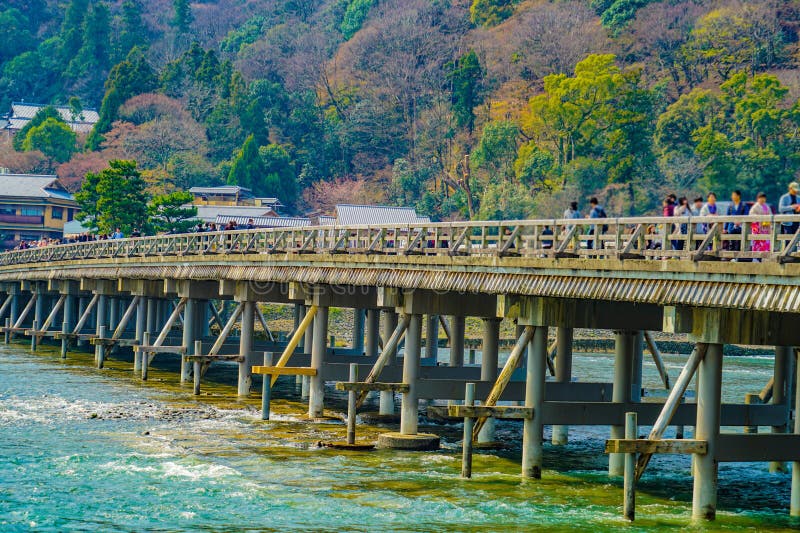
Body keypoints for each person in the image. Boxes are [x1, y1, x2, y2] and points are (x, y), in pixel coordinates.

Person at [749, 192, 771, 258]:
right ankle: (756, 257)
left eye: (764, 198)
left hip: (766, 227)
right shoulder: (755, 207)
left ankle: (766, 256)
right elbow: (751, 215)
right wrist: (761, 218)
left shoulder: (767, 206)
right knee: (757, 242)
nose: (762, 199)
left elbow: (770, 215)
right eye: (761, 198)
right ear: (757, 199)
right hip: (758, 228)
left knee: (766, 242)